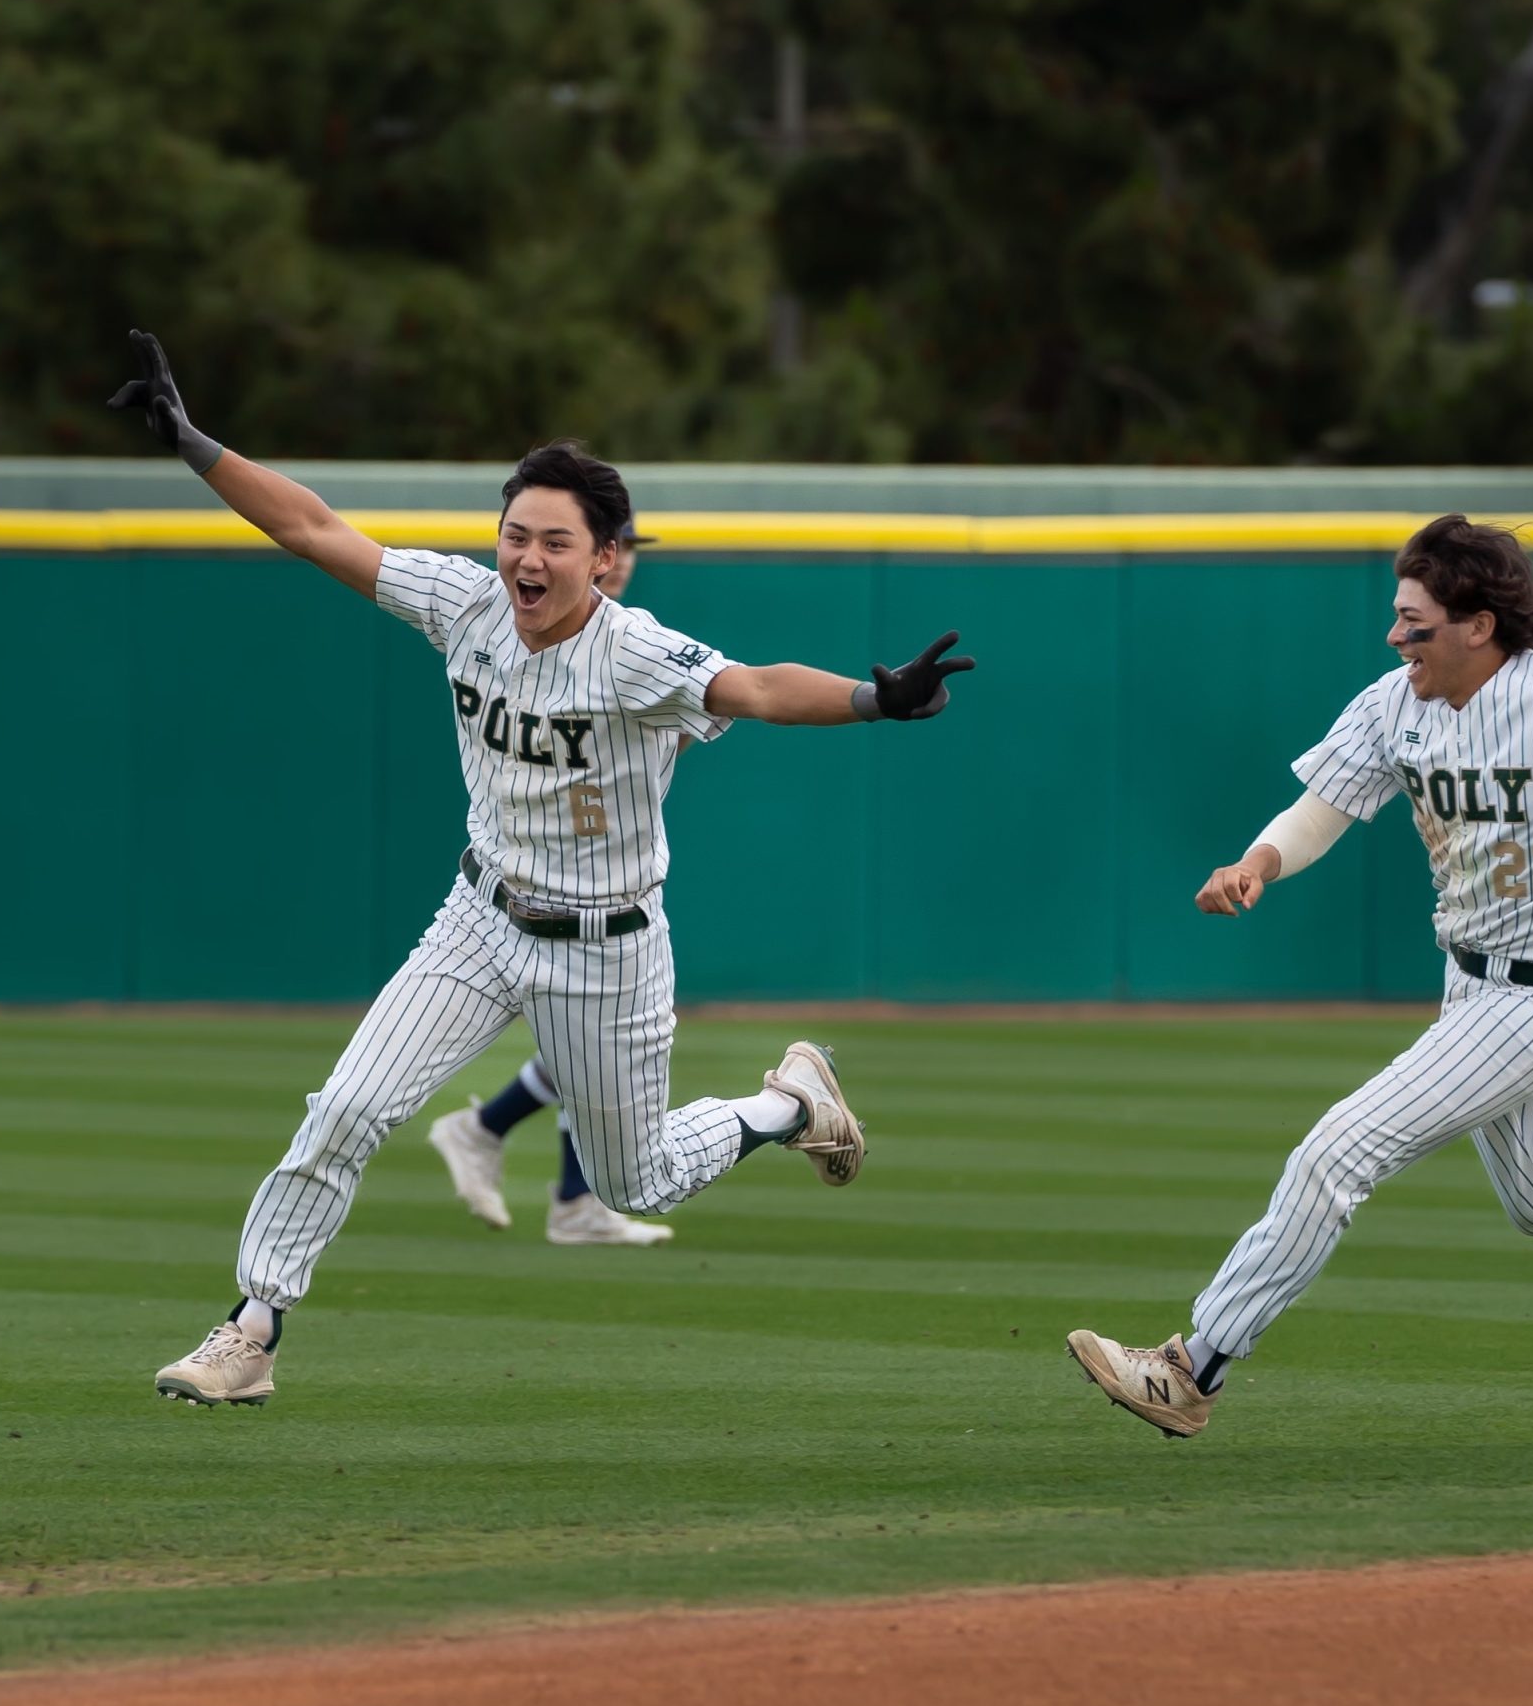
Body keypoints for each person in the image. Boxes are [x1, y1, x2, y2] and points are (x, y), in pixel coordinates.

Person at [107, 330, 975, 1407]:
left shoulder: (634, 651)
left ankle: (789, 1104)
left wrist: (870, 698)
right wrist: (196, 446)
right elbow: (312, 525)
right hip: (478, 918)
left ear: (604, 556)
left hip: (607, 946)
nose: (527, 558)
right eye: (515, 534)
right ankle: (251, 1329)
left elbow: (750, 688)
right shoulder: (462, 603)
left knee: (634, 1178)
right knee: (345, 1107)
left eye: (554, 542)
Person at [1069, 515, 1533, 1439]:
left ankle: (1193, 1370)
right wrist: (1257, 863)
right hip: (1471, 981)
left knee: (1338, 1149)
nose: (1396, 636)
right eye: (1397, 616)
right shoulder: (1394, 704)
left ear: (1480, 623)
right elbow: (1319, 811)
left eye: (1415, 621)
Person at [428, 516, 680, 1248]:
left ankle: (545, 1175)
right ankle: (531, 1166)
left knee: (591, 1048)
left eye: (633, 547)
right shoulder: (536, 635)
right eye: (619, 545)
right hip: (529, 887)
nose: (627, 560)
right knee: (593, 1048)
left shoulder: (639, 644)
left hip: (606, 875)